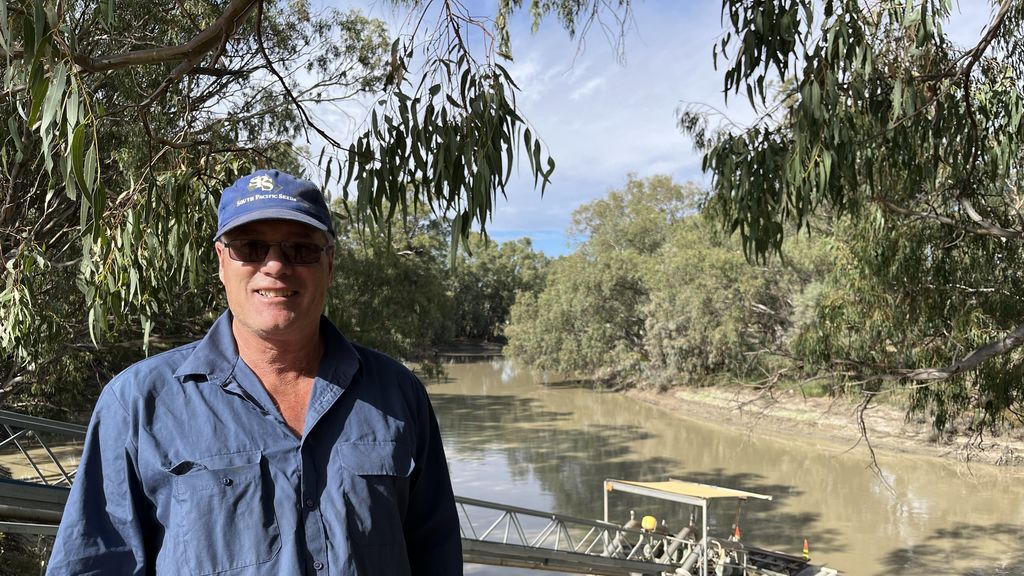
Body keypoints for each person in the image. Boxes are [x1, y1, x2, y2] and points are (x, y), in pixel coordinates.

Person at [48, 170, 463, 575]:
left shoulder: (398, 393)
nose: (276, 266)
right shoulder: (138, 403)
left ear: (329, 264)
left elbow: (435, 553)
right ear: (221, 262)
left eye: (301, 249)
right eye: (250, 247)